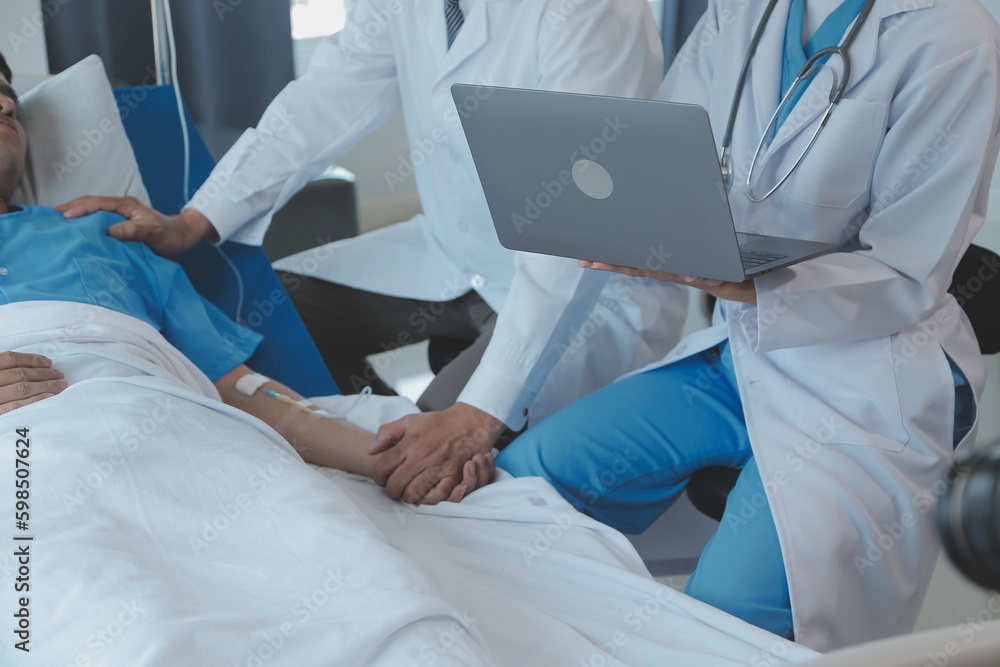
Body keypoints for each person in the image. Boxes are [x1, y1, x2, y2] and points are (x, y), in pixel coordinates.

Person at [495, 0, 1000, 652]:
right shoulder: (745, 10)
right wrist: (634, 220)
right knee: (524, 482)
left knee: (725, 625)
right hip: (741, 352)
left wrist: (747, 282)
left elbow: (907, 270)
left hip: (871, 380)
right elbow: (664, 144)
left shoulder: (952, 35)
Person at [47, 0, 690, 507]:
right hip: (451, 254)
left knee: (423, 470)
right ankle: (385, 424)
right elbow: (320, 104)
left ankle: (428, 455)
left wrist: (476, 414)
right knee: (270, 323)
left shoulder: (590, 11)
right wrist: (192, 221)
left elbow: (578, 229)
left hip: (584, 289)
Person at [0, 54, 491, 493]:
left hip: (154, 433)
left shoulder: (100, 234)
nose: (6, 108)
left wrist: (399, 463)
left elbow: (238, 388)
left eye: (10, 102)